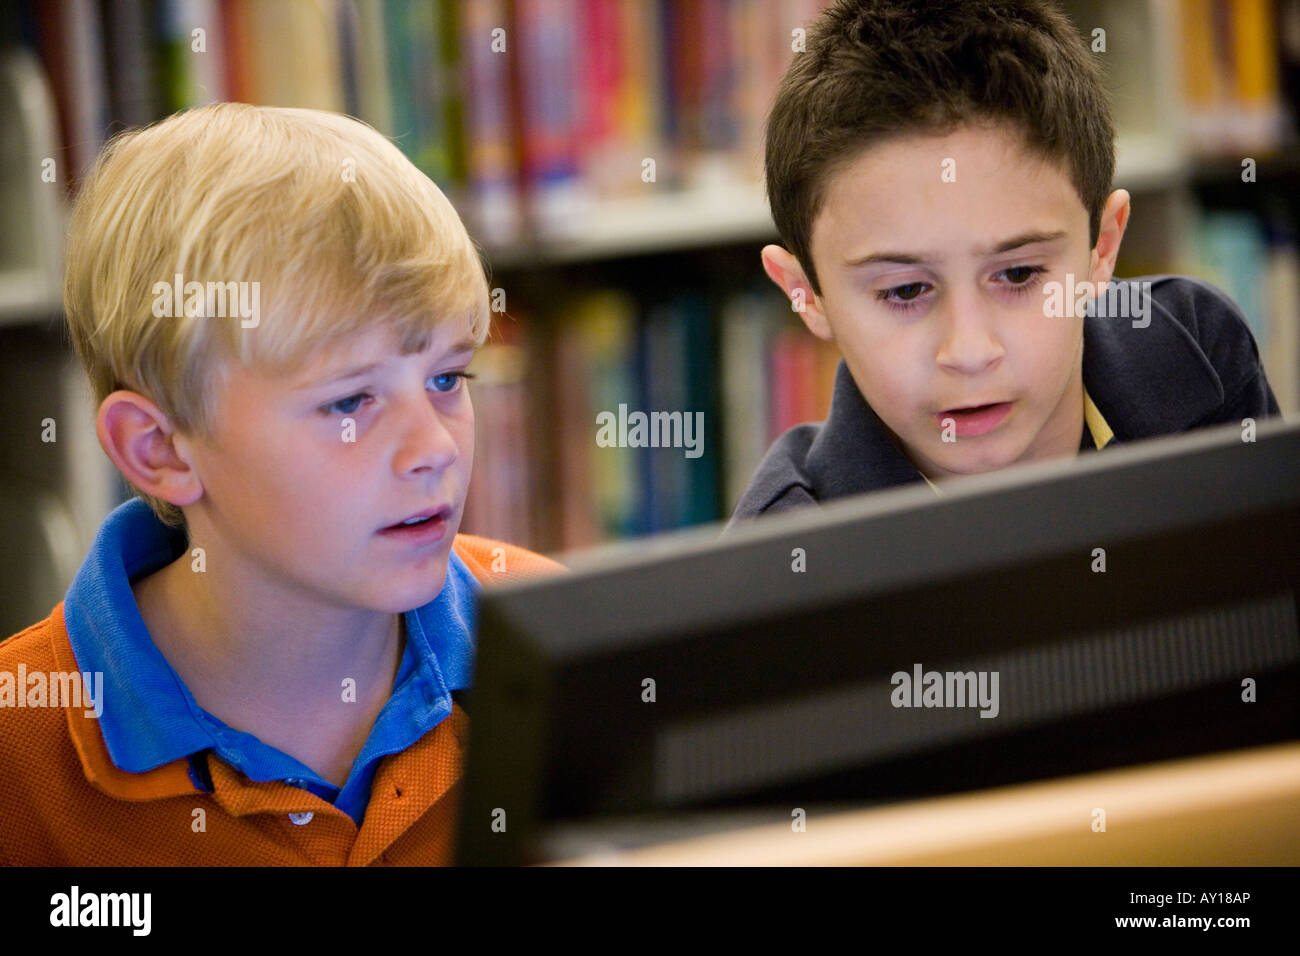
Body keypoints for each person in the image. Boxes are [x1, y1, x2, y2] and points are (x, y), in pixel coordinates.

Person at [0, 103, 561, 865]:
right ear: (159, 447)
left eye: (446, 377)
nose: (434, 448)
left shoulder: (555, 646)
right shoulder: (20, 746)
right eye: (349, 401)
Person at [732, 0, 1280, 520]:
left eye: (1018, 274)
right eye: (903, 291)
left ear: (1103, 248)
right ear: (805, 292)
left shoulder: (1196, 353)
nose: (970, 352)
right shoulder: (784, 559)